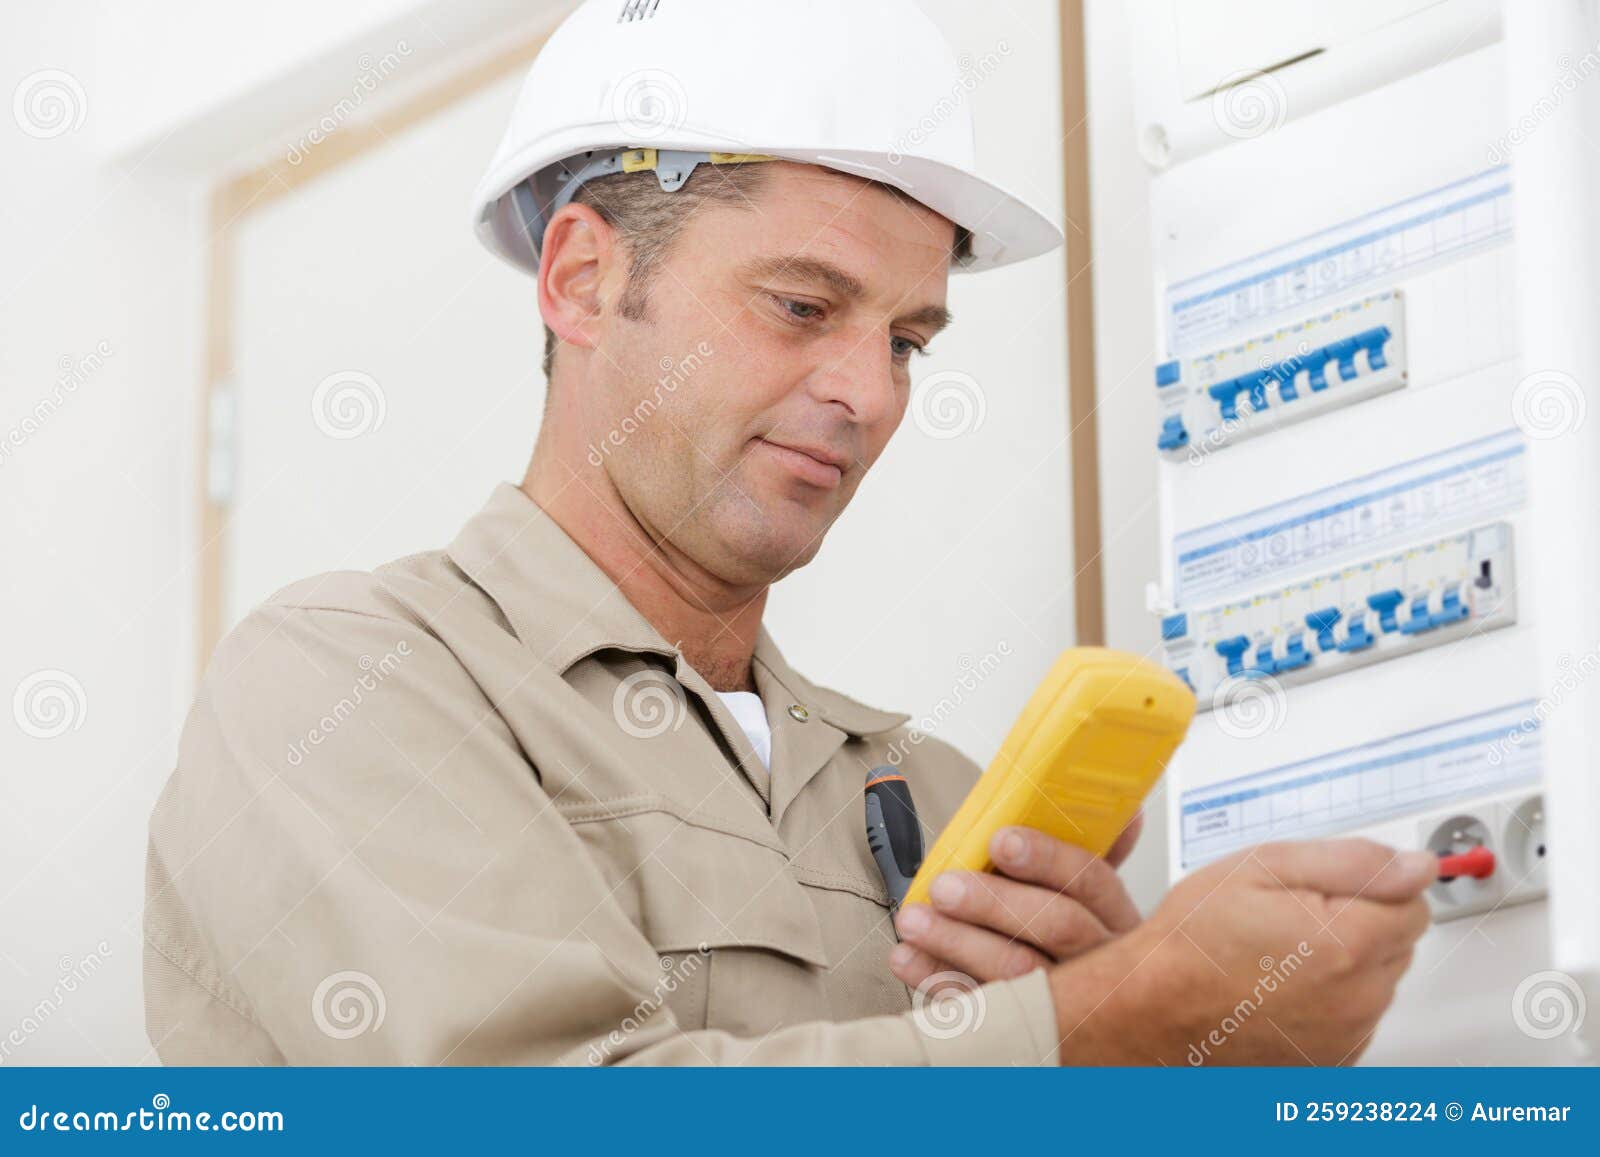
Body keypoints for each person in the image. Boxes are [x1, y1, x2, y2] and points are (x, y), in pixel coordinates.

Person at [143, 0, 1434, 1065]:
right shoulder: (343, 679)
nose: (871, 395)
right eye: (805, 305)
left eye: (907, 341)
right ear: (584, 277)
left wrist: (1142, 1071)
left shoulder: (934, 797)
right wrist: (1100, 1021)